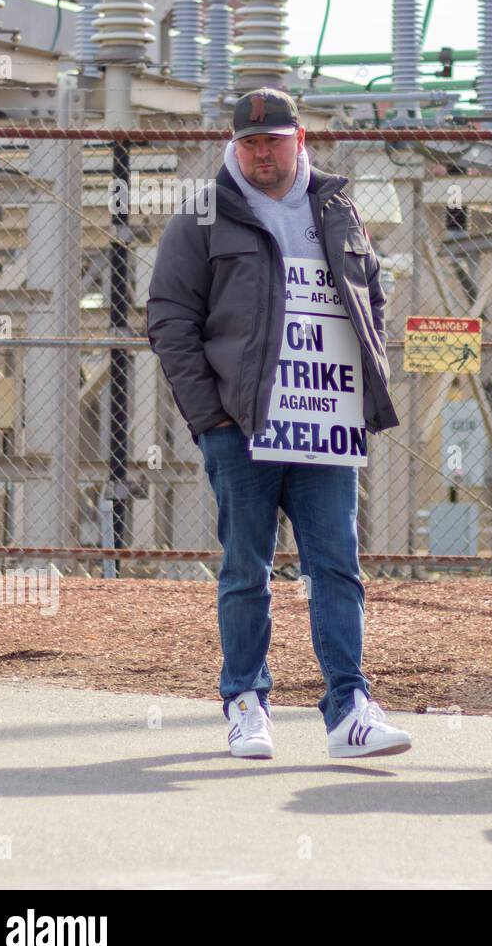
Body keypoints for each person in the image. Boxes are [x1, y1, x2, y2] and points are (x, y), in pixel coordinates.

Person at [147, 88, 410, 761]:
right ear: (234, 146)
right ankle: (246, 702)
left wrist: (357, 387)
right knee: (246, 568)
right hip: (241, 428)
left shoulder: (337, 207)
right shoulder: (203, 214)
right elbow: (169, 319)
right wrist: (212, 416)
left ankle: (349, 709)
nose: (263, 153)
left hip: (324, 424)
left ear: (300, 140)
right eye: (251, 143)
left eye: (275, 140)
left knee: (338, 566)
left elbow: (370, 297)